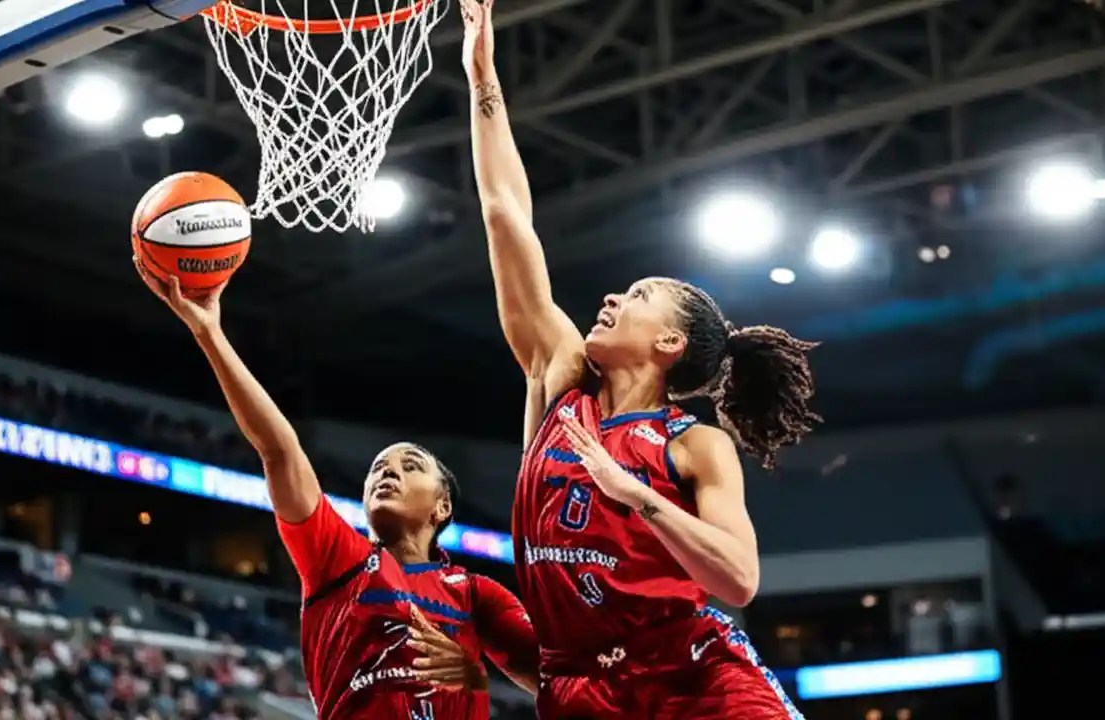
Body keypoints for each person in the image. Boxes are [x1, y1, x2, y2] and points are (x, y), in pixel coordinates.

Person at [460, 1, 820, 718]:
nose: (612, 296)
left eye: (638, 294)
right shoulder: (557, 377)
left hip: (692, 673)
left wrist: (640, 499)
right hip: (577, 687)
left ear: (669, 344)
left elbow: (740, 578)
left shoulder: (697, 446)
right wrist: (482, 75)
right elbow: (506, 213)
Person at [133, 258, 538, 720]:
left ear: (442, 505)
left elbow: (557, 679)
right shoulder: (338, 558)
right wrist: (210, 334)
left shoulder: (475, 594)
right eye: (378, 467)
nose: (388, 472)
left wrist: (476, 678)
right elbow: (280, 451)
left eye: (410, 466)